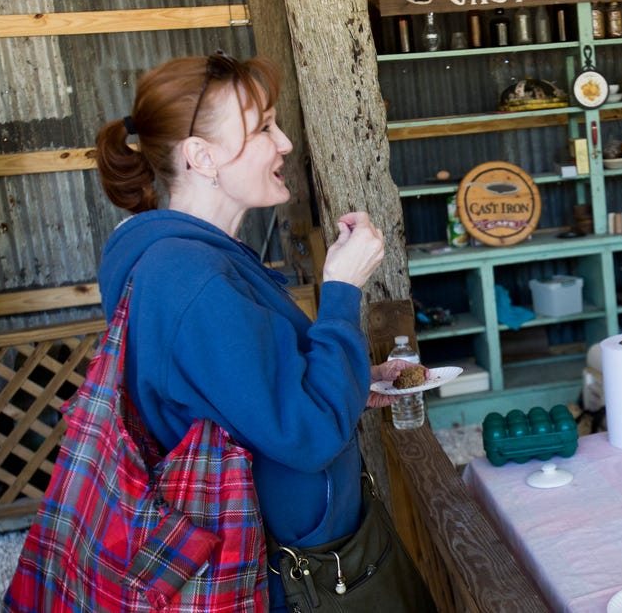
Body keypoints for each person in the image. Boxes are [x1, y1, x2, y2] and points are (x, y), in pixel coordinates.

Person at [91, 51, 416, 608]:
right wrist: (341, 290)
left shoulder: (202, 260)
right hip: (292, 582)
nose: (284, 142)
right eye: (264, 127)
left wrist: (351, 389)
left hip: (306, 561)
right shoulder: (188, 280)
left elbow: (249, 402)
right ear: (202, 156)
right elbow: (307, 435)